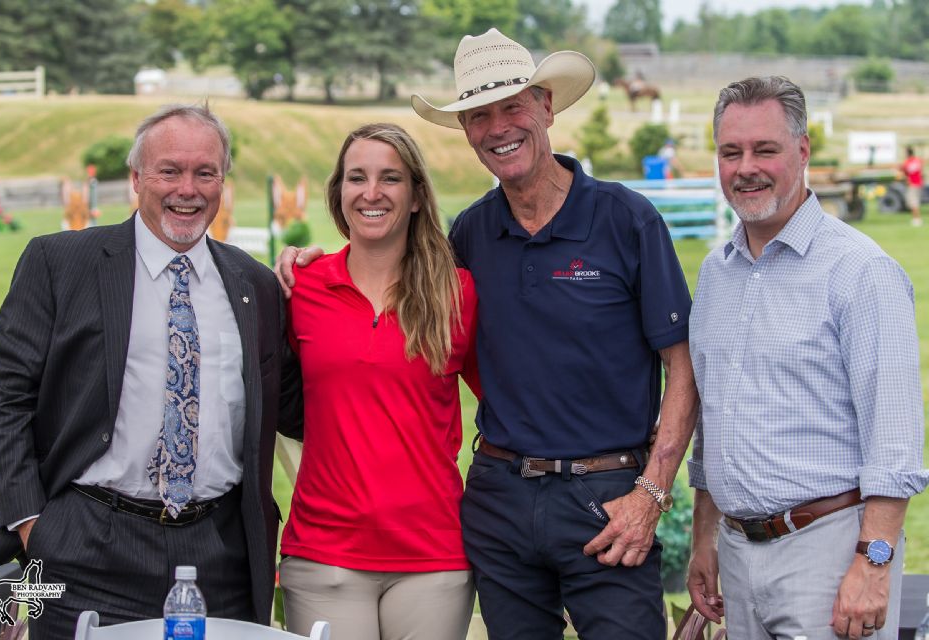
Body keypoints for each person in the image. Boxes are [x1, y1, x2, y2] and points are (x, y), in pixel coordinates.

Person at [279, 28, 697, 639]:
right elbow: (396, 285)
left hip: (608, 497)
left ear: (546, 106)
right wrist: (309, 262)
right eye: (480, 114)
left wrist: (651, 495)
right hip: (499, 500)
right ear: (467, 131)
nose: (498, 127)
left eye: (513, 106)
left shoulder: (625, 220)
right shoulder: (470, 236)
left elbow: (681, 369)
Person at [0, 104, 303, 639]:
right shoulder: (60, 263)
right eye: (169, 171)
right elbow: (4, 399)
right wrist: (34, 526)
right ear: (135, 178)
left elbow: (298, 406)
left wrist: (345, 281)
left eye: (206, 172)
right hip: (84, 547)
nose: (188, 189)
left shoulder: (255, 284)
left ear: (222, 180)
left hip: (219, 554)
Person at [686, 76, 927, 640]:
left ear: (803, 150)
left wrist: (873, 562)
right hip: (738, 555)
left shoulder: (861, 273)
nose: (746, 167)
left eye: (764, 149)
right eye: (731, 152)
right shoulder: (715, 274)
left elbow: (893, 437)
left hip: (830, 552)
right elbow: (713, 420)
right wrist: (704, 537)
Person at [278, 123, 479, 640]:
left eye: (390, 178)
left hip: (433, 557)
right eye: (356, 178)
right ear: (339, 193)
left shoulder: (456, 293)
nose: (371, 193)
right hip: (324, 554)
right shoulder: (301, 287)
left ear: (415, 196)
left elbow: (512, 402)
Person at [900, 145, 923, 227]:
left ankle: (916, 219)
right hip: (919, 183)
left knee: (913, 203)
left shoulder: (907, 162)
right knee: (915, 202)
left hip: (912, 184)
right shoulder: (917, 160)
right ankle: (917, 219)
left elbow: (904, 171)